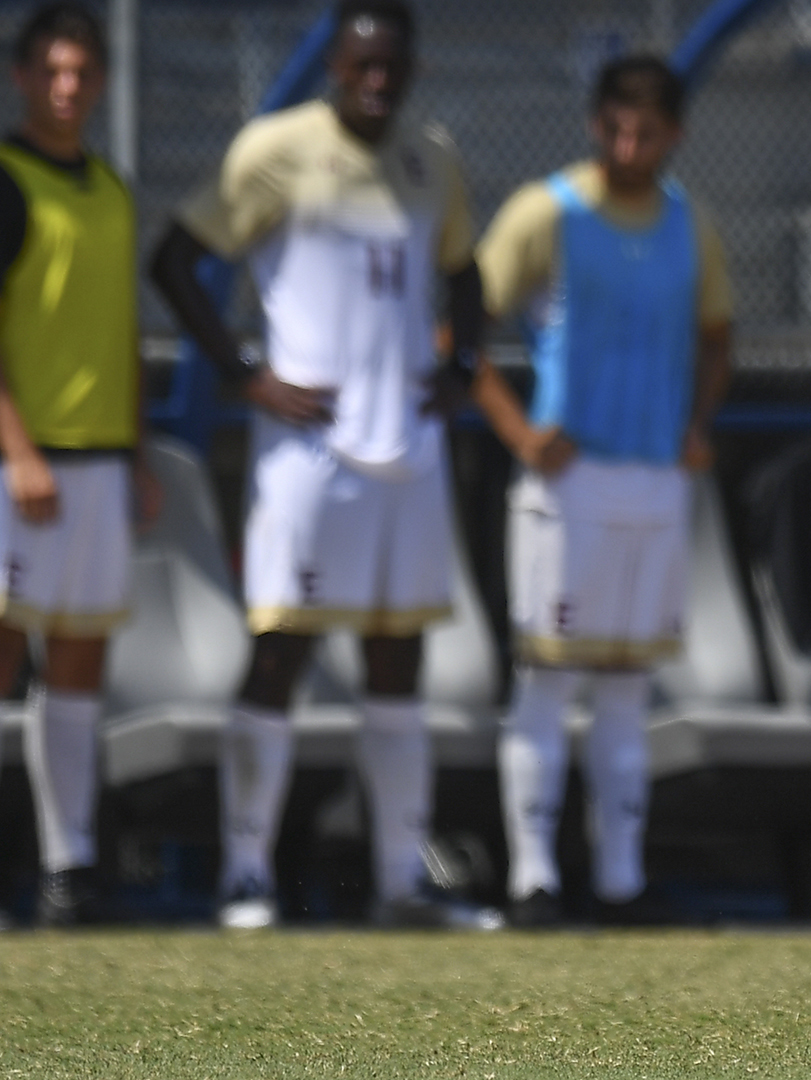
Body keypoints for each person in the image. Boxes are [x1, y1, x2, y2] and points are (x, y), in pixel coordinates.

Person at [149, 0, 496, 930]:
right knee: (282, 648)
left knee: (399, 658)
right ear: (335, 67)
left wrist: (461, 368)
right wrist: (245, 375)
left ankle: (399, 882)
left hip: (408, 449)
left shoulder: (432, 158)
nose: (376, 81)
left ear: (409, 68)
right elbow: (177, 260)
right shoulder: (272, 149)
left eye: (391, 67)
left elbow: (467, 273)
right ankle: (247, 874)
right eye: (360, 66)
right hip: (309, 453)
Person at [469, 55, 731, 928]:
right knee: (547, 678)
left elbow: (717, 337)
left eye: (647, 132)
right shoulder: (549, 211)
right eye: (616, 128)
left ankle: (620, 880)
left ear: (675, 135)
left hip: (654, 476)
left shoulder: (689, 220)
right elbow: (464, 322)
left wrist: (697, 424)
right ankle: (533, 879)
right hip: (566, 480)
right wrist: (516, 428)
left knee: (626, 685)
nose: (629, 146)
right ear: (596, 124)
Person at [0, 2, 156, 926]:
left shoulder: (113, 188)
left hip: (98, 463)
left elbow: (122, 331)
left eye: (83, 73)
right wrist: (17, 450)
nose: (69, 88)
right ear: (23, 78)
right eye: (52, 71)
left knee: (80, 669)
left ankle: (70, 868)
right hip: (24, 465)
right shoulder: (7, 178)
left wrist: (132, 453)